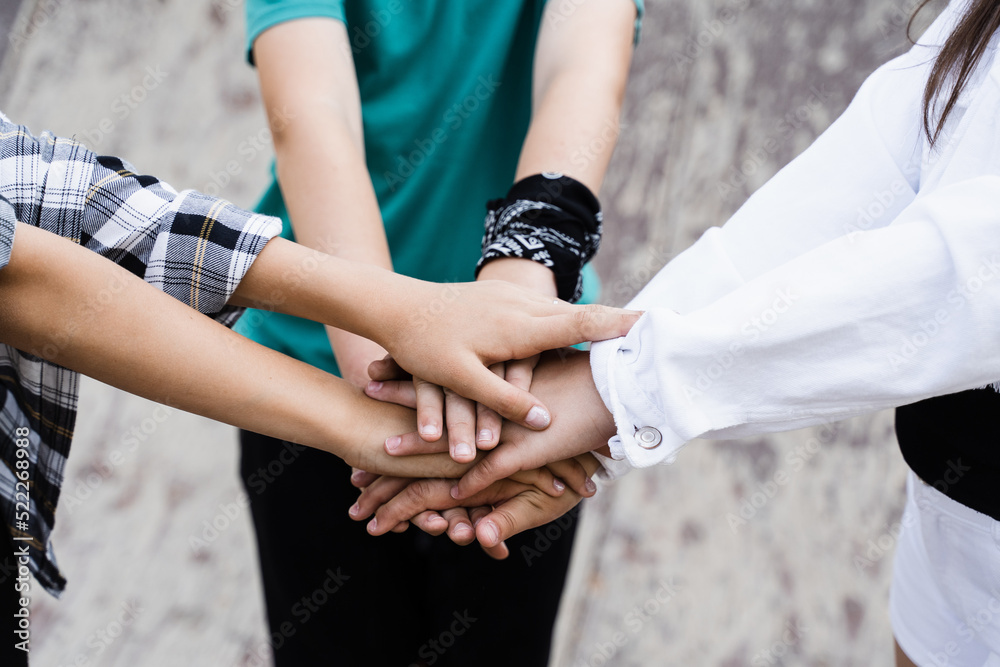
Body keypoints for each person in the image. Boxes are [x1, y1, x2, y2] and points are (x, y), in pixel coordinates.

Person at [357, 1, 1000, 665]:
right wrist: (601, 375)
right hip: (952, 544)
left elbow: (972, 273)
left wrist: (608, 388)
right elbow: (895, 148)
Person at [0, 112, 638, 665]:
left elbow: (51, 198)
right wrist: (410, 404)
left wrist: (502, 332)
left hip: (503, 404)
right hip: (453, 411)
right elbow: (22, 275)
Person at [234, 0, 642, 664]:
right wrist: (387, 379)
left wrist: (516, 290)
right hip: (317, 389)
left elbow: (584, 72)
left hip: (520, 390)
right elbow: (310, 118)